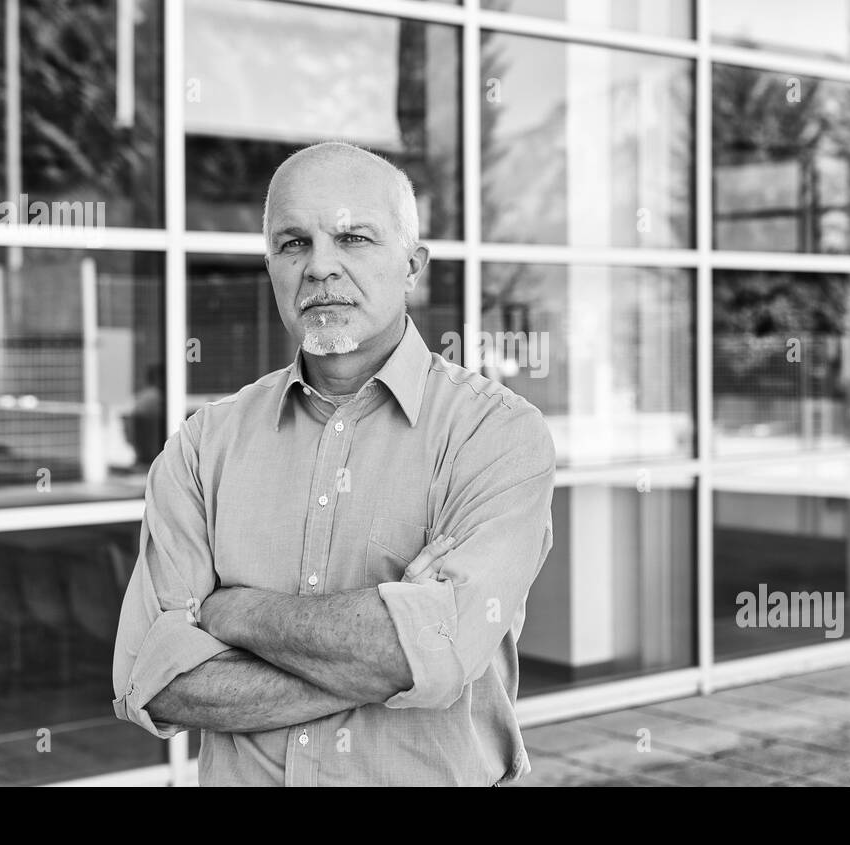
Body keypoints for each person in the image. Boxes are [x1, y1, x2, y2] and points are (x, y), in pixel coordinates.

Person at [112, 142, 556, 786]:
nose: (320, 267)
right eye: (294, 243)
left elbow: (442, 650)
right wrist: (392, 650)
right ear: (269, 267)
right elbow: (156, 685)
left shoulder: (496, 434)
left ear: (413, 266)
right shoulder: (203, 445)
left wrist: (234, 613)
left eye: (353, 238)